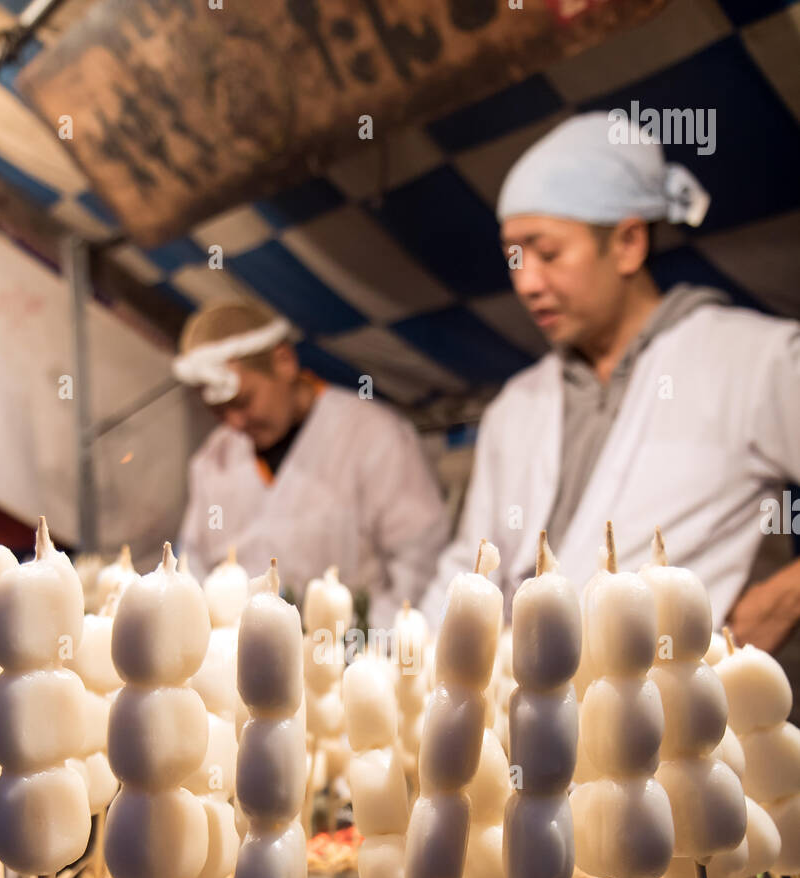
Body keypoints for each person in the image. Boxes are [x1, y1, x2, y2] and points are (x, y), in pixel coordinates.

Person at [420, 112, 800, 650]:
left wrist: (775, 605)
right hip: (523, 712)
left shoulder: (751, 360)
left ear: (627, 243)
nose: (526, 283)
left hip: (678, 719)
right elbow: (472, 561)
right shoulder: (517, 404)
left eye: (548, 253)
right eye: (515, 257)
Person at [174, 302, 448, 627]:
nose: (234, 422)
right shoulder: (212, 460)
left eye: (243, 402)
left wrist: (365, 646)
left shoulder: (373, 437)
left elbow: (419, 564)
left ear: (284, 361)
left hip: (354, 656)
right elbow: (194, 570)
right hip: (240, 663)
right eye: (219, 412)